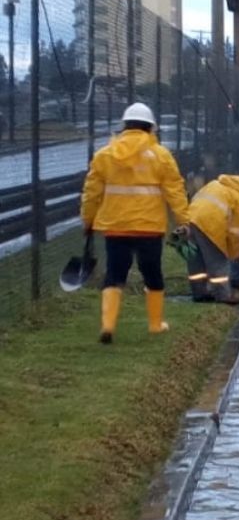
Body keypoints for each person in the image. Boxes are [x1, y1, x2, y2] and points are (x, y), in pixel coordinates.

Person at [80, 102, 190, 344]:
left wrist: (87, 220)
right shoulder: (161, 156)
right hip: (149, 228)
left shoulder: (105, 155)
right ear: (151, 127)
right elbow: (175, 191)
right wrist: (184, 221)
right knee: (152, 273)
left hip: (116, 226)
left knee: (115, 274)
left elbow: (91, 192)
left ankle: (108, 326)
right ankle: (155, 324)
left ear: (124, 126)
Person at [185, 173, 239, 303]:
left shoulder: (218, 184)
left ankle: (200, 292)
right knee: (218, 262)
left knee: (197, 261)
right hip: (210, 225)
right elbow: (235, 232)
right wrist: (235, 253)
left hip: (191, 219)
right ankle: (224, 295)